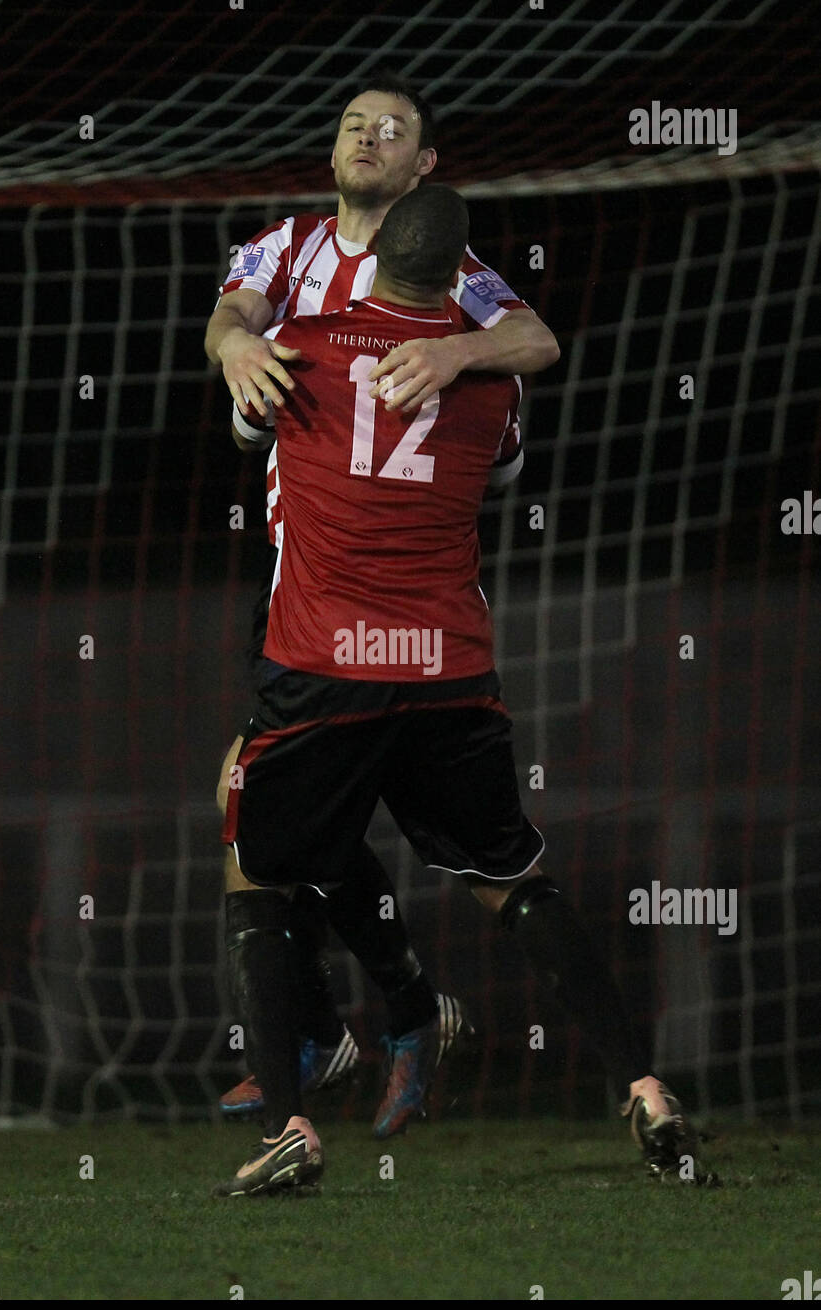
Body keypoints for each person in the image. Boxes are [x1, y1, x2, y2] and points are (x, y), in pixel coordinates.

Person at [212, 184, 698, 1197]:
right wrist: (464, 352)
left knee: (255, 871)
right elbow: (511, 420)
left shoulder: (297, 344)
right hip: (446, 675)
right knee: (514, 881)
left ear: (376, 246)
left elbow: (249, 403)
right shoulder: (492, 391)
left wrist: (236, 351)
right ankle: (644, 1086)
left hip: (323, 669)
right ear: (462, 276)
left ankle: (294, 1116)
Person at [205, 72, 560, 1136]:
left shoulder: (447, 268)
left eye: (391, 128)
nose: (367, 137)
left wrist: (455, 348)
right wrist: (231, 345)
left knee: (257, 802)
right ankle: (376, 1018)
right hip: (294, 553)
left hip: (390, 578)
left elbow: (534, 339)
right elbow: (235, 307)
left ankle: (342, 1031)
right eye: (353, 124)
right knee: (280, 805)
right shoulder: (289, 245)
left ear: (423, 167)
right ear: (333, 151)